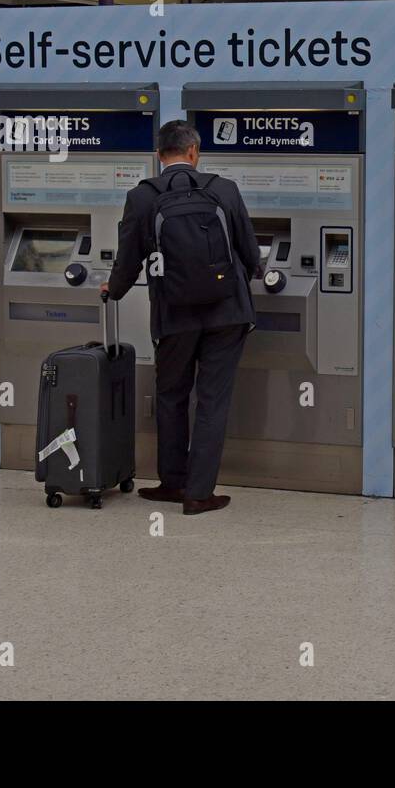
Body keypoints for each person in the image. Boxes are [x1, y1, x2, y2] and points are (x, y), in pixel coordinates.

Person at [102, 121, 261, 515]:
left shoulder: (141, 198)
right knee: (212, 401)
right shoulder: (223, 189)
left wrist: (113, 290)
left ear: (160, 156)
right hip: (226, 312)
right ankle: (199, 493)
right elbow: (250, 252)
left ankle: (172, 483)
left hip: (174, 314)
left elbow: (128, 260)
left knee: (171, 397)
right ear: (194, 152)